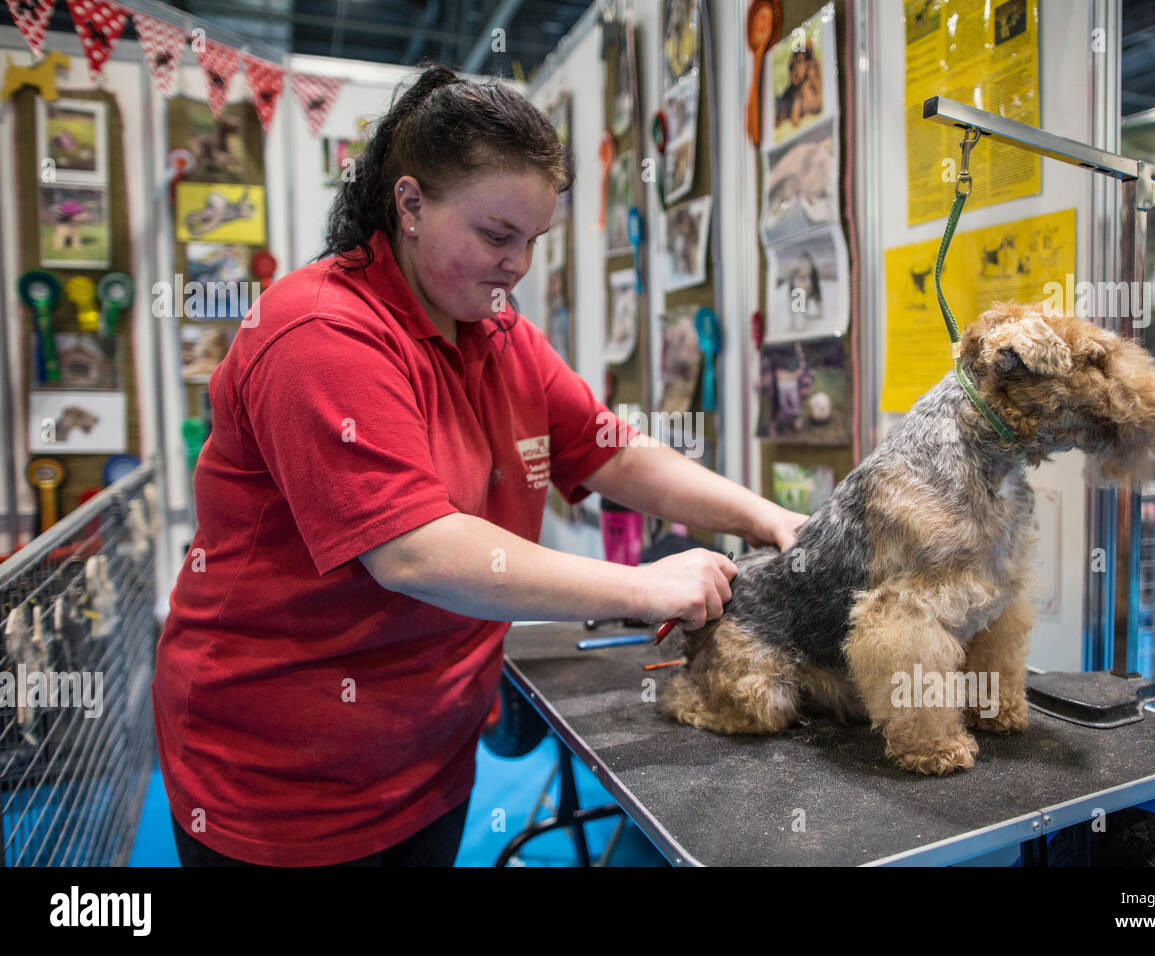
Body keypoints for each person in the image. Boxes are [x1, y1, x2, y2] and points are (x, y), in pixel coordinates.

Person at [152, 64, 807, 868]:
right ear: (410, 202)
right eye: (497, 236)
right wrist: (644, 587)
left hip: (430, 750)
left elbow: (612, 449)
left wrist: (765, 516)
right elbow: (413, 549)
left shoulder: (499, 333)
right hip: (285, 780)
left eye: (532, 242)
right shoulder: (319, 332)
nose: (517, 266)